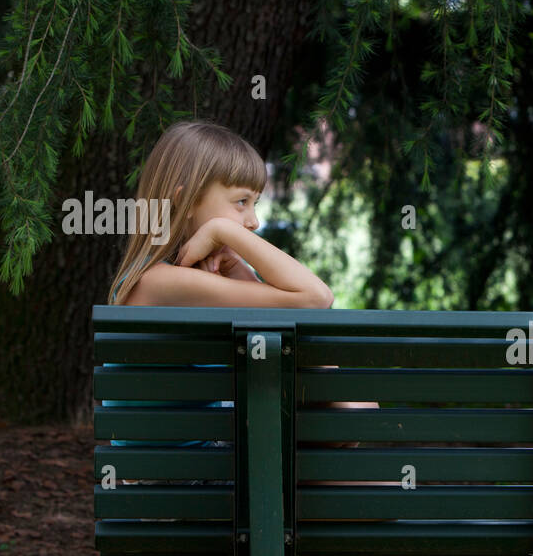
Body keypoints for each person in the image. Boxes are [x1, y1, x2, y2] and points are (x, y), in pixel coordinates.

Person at [103, 120, 374, 463]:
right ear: (184, 202)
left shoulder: (174, 281)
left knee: (353, 411)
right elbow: (316, 299)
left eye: (256, 203)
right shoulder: (158, 283)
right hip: (193, 481)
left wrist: (238, 268)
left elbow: (298, 322)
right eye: (241, 202)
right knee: (364, 446)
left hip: (198, 476)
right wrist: (224, 231)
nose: (254, 221)